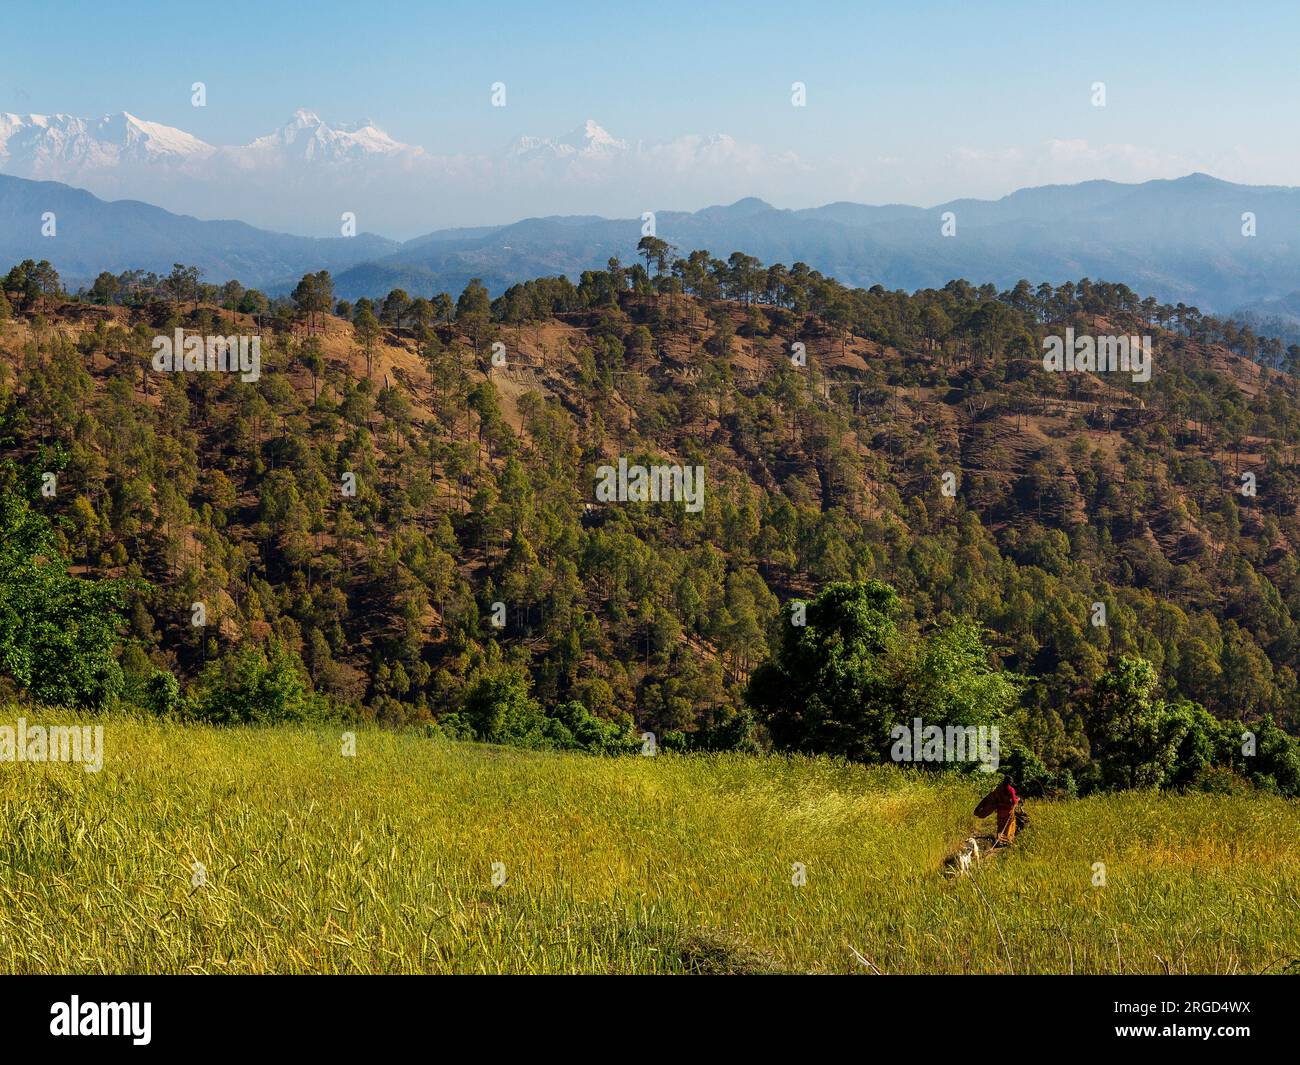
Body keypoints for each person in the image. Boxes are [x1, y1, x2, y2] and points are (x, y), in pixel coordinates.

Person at [974, 777, 1020, 846]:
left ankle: (999, 840)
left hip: (1000, 810)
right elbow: (1013, 801)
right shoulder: (1011, 789)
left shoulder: (998, 789)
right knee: (1008, 825)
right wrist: (1018, 800)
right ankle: (1006, 840)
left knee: (1000, 826)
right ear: (1010, 783)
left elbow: (993, 798)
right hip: (1008, 811)